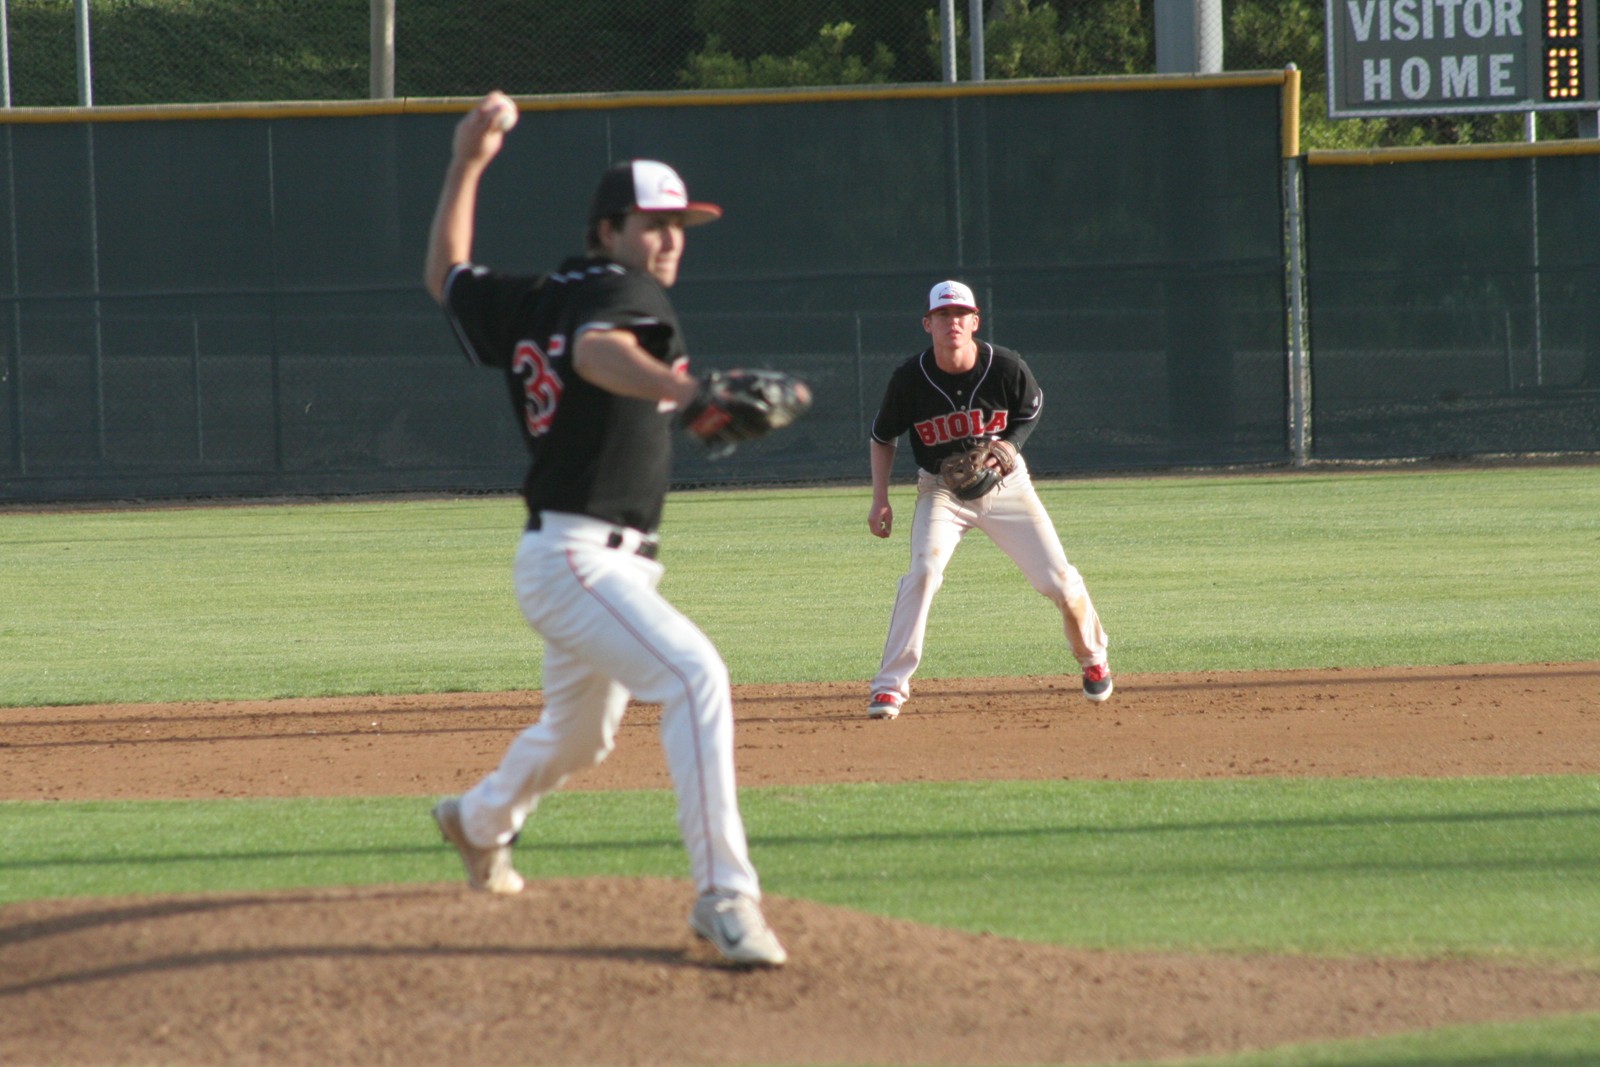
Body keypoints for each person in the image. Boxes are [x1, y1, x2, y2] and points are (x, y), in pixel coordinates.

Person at [421, 91, 786, 966]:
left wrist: (467, 159)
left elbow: (446, 275)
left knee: (583, 735)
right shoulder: (625, 292)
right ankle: (726, 896)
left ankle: (478, 821)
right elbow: (596, 353)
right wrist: (686, 390)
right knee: (696, 674)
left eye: (679, 226)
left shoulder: (538, 294)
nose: (668, 240)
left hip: (575, 556)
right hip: (582, 557)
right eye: (652, 223)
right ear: (608, 229)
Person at [864, 280, 1112, 720]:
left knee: (1056, 581)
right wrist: (880, 498)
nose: (952, 322)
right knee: (922, 572)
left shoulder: (1006, 366)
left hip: (1007, 485)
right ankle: (889, 687)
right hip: (941, 490)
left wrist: (1009, 447)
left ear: (975, 322)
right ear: (928, 324)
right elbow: (882, 437)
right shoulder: (909, 379)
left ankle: (1093, 656)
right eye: (943, 315)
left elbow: (1031, 408)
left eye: (961, 315)